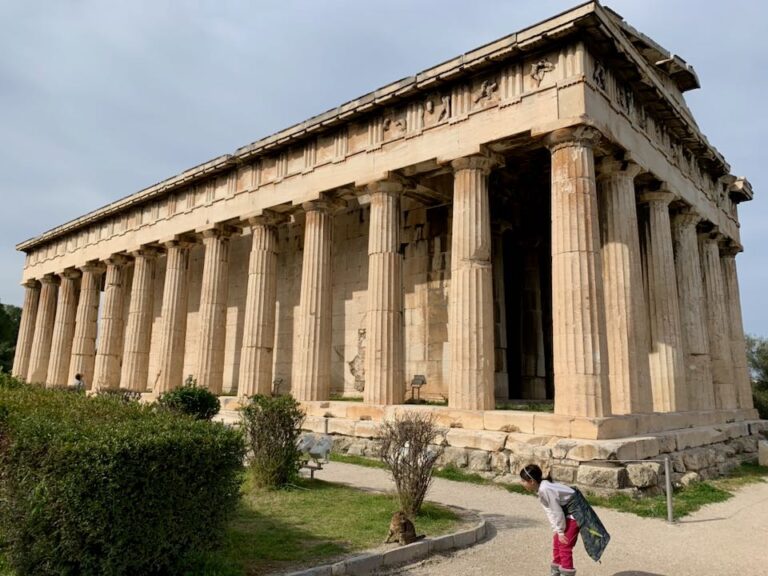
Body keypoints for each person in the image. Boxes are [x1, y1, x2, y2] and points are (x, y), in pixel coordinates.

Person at [520, 464, 610, 576]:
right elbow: (551, 512)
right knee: (557, 540)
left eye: (523, 481)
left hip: (575, 513)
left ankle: (566, 573)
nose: (521, 483)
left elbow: (556, 512)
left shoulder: (545, 489)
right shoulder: (543, 487)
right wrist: (557, 530)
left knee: (564, 544)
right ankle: (556, 571)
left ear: (531, 481)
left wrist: (561, 531)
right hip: (567, 512)